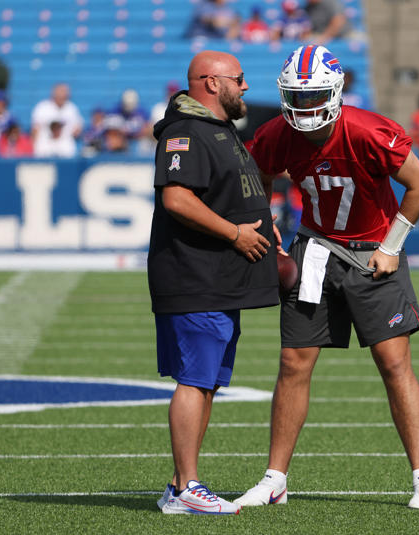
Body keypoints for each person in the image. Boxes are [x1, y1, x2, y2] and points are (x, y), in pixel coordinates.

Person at [234, 45, 419, 510]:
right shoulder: (275, 135)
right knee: (293, 364)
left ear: (336, 91)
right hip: (315, 252)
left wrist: (392, 246)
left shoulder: (367, 130)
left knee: (393, 364)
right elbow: (262, 173)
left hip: (373, 256)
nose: (306, 108)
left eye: (315, 97)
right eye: (297, 98)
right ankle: (275, 479)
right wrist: (267, 222)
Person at [148, 50, 278, 515]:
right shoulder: (186, 131)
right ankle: (187, 486)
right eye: (238, 79)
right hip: (194, 275)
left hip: (218, 279)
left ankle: (180, 483)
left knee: (206, 382)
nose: (245, 87)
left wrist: (262, 221)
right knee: (194, 380)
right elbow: (178, 199)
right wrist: (234, 233)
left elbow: (232, 193)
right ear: (209, 82)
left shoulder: (218, 130)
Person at [31, 83, 83, 157]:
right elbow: (35, 129)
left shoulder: (71, 108)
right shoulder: (42, 107)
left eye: (65, 92)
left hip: (64, 143)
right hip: (46, 143)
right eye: (61, 92)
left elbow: (78, 128)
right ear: (54, 93)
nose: (64, 95)